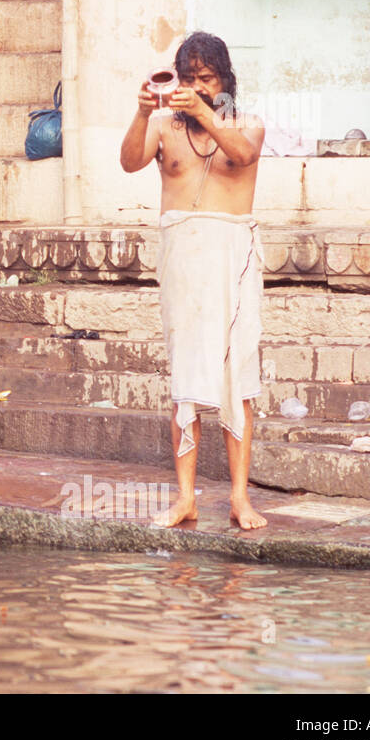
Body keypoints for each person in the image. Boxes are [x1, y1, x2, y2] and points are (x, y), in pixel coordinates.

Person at [119, 31, 268, 530]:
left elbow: (242, 156)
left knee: (237, 378)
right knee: (186, 379)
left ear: (225, 80)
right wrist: (143, 112)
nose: (197, 87)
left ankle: (240, 498)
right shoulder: (163, 126)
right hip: (184, 262)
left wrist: (205, 112)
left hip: (234, 259)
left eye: (207, 79)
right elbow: (129, 162)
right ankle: (185, 498)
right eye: (188, 79)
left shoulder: (249, 124)